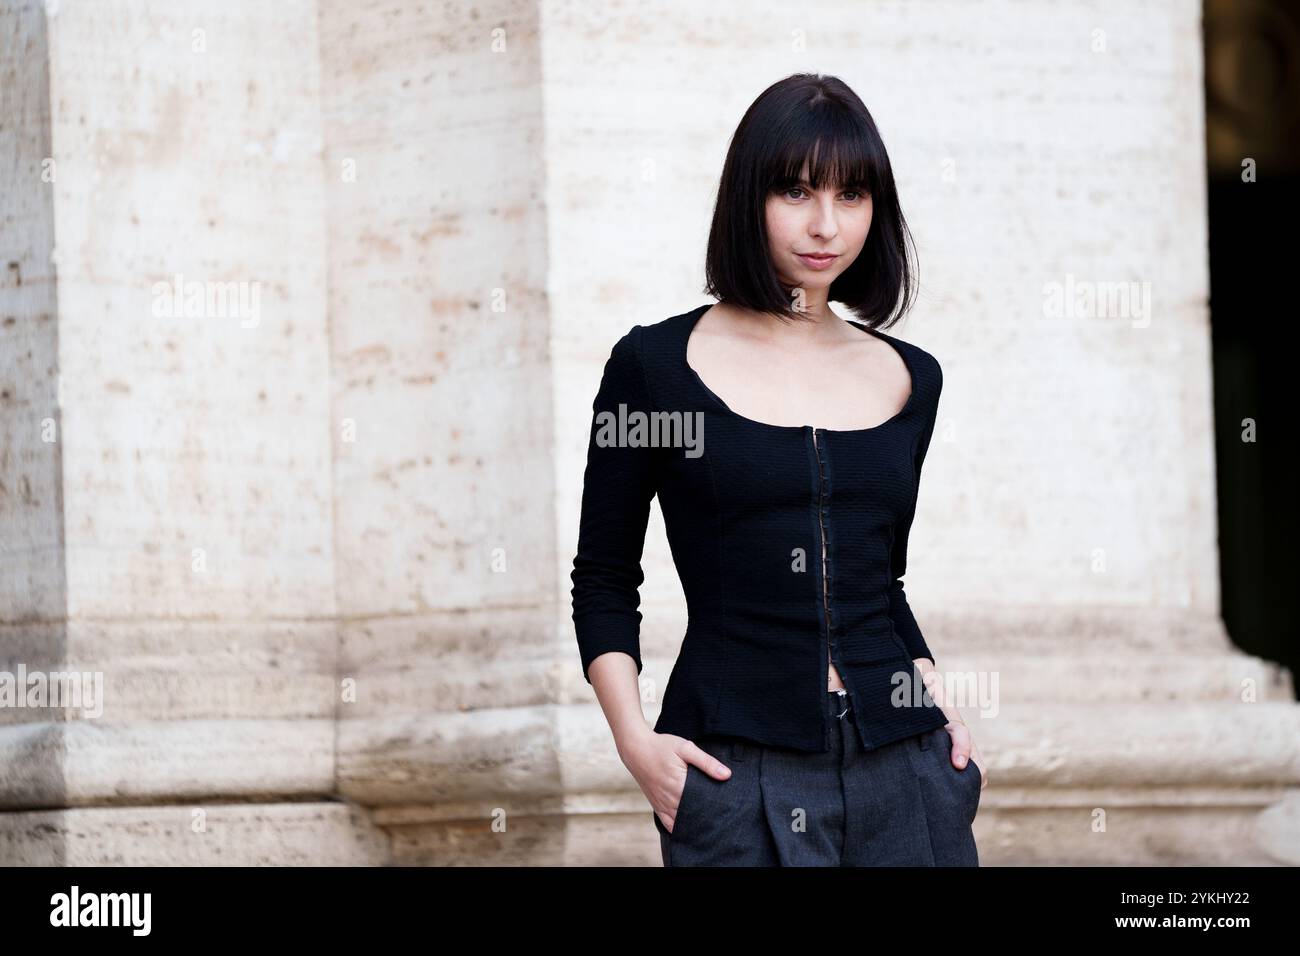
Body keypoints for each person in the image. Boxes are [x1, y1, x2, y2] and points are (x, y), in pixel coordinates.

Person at [570, 73, 986, 866]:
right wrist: (635, 744)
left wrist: (937, 706)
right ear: (748, 197)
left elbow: (881, 582)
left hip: (907, 767)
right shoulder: (654, 367)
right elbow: (604, 577)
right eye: (796, 191)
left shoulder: (912, 377)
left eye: (851, 194)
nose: (826, 224)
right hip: (735, 771)